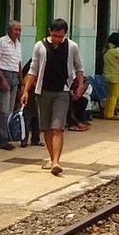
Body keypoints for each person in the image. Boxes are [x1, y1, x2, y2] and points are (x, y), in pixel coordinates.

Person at [20, 18, 86, 177]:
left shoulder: (72, 47)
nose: (57, 39)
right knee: (47, 128)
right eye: (55, 35)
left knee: (58, 127)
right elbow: (33, 69)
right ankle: (51, 158)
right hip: (43, 91)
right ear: (50, 31)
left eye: (61, 36)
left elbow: (79, 66)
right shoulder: (40, 46)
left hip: (62, 91)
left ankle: (56, 161)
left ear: (65, 34)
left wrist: (80, 85)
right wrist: (26, 90)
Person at [0, 20, 22, 151]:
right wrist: (2, 79)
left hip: (14, 77)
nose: (18, 32)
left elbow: (18, 64)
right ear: (9, 30)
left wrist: (22, 82)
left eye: (19, 30)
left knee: (9, 110)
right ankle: (4, 139)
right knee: (3, 111)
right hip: (4, 75)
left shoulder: (18, 45)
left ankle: (0, 137)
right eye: (16, 30)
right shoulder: (1, 42)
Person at [101, 32, 119, 120]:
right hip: (116, 76)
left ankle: (106, 112)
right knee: (115, 95)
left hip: (107, 74)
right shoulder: (116, 51)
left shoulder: (105, 50)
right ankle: (110, 114)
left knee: (109, 95)